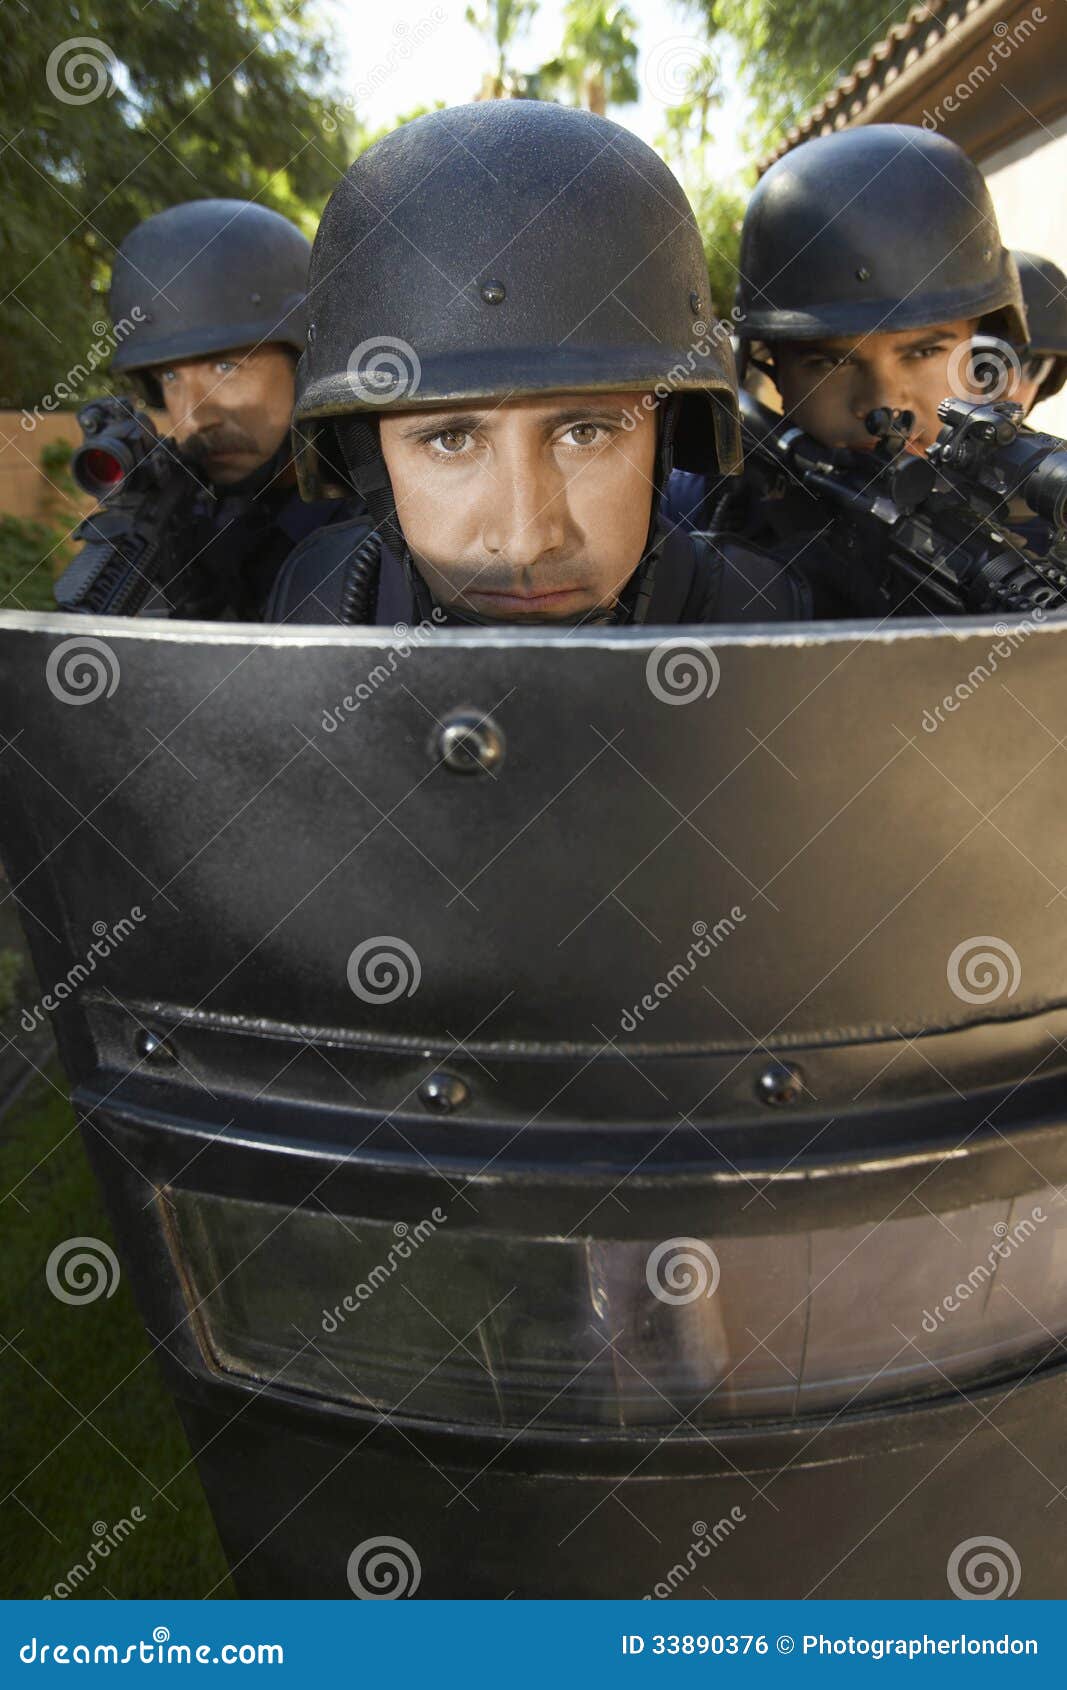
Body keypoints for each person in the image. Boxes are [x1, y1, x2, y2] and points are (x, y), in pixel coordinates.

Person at [266, 100, 810, 629]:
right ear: (368, 452)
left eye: (584, 433)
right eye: (451, 440)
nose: (525, 541)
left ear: (666, 432)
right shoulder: (318, 605)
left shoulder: (761, 626)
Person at [669, 125, 1027, 616]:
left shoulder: (1036, 507)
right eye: (829, 362)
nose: (883, 402)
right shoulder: (698, 507)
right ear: (771, 366)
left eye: (924, 351)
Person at [56, 199, 363, 620]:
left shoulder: (383, 521)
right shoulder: (185, 516)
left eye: (225, 368)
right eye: (170, 377)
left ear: (307, 364)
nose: (194, 419)